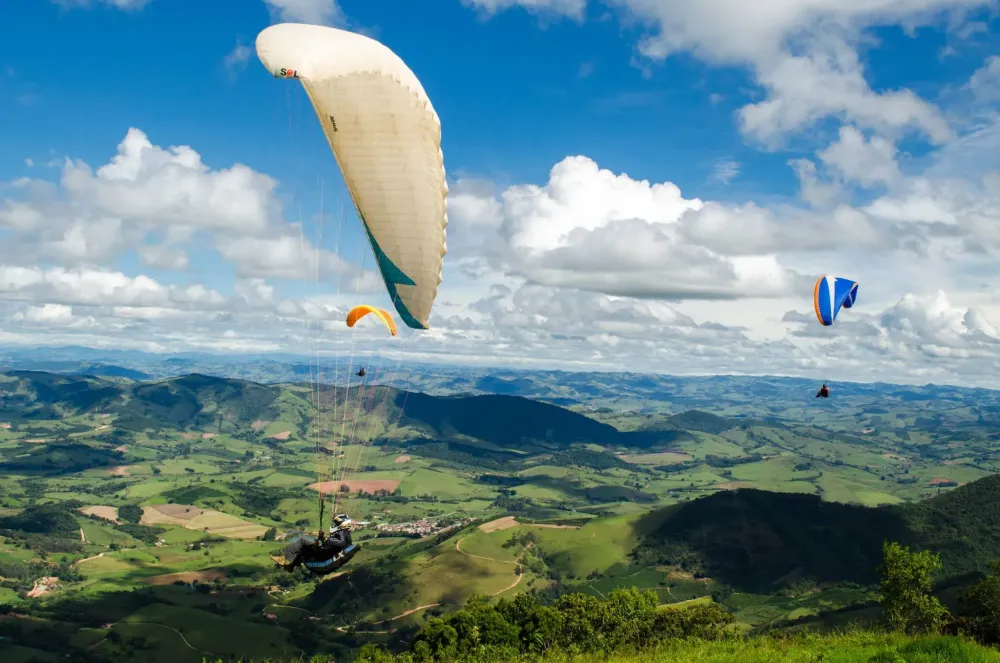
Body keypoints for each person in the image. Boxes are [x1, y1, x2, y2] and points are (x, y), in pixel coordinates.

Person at [273, 514, 358, 575]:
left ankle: (285, 559)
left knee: (302, 541)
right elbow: (335, 543)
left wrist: (326, 539)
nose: (335, 525)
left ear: (342, 524)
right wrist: (322, 539)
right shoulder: (345, 533)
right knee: (306, 547)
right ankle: (291, 566)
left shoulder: (343, 533)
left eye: (337, 523)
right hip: (325, 554)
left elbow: (340, 542)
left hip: (323, 557)